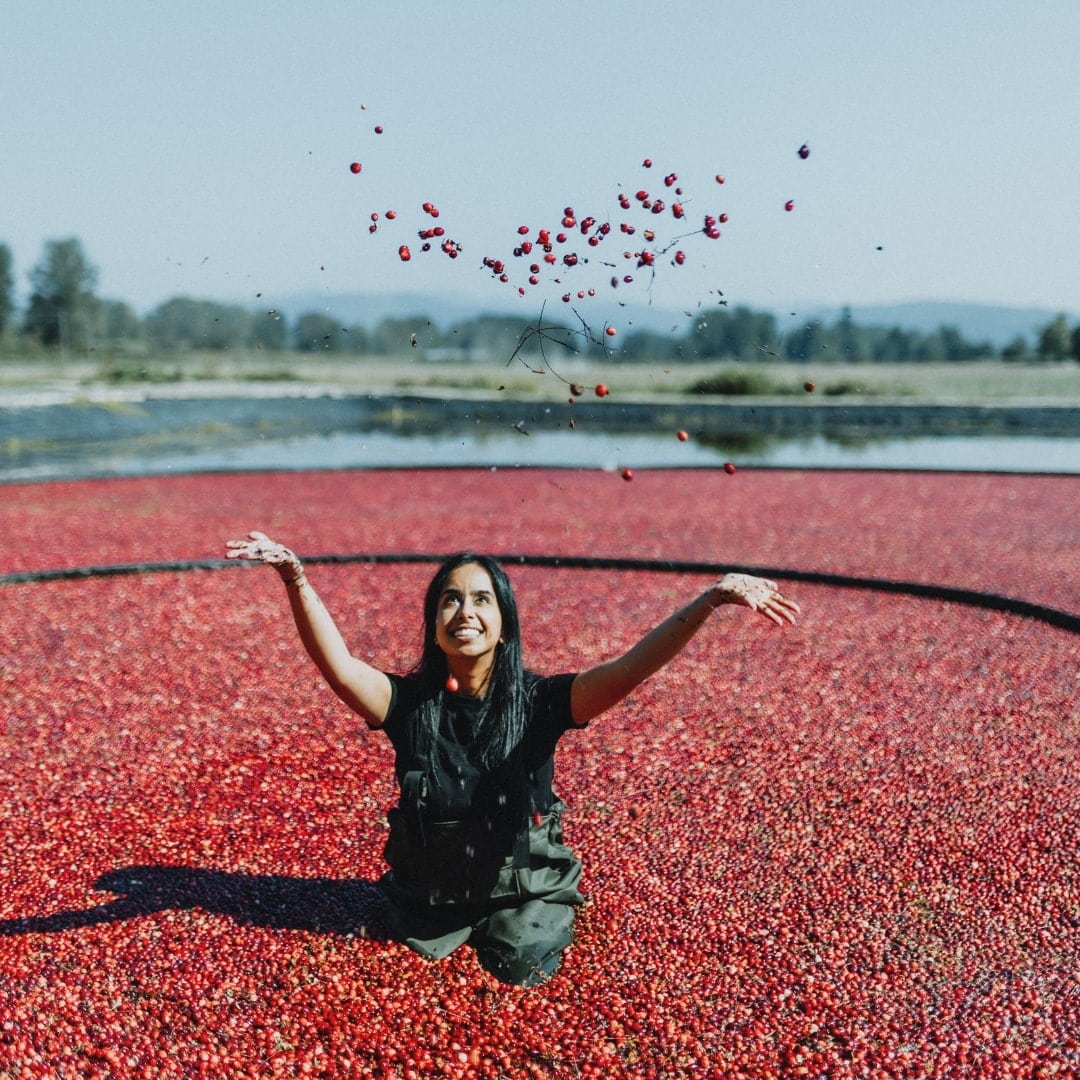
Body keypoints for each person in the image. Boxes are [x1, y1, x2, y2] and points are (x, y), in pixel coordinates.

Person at [225, 531, 799, 986]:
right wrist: (295, 578)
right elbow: (339, 664)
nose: (464, 611)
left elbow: (630, 668)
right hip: (428, 898)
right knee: (412, 965)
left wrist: (710, 598)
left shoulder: (541, 703)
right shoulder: (406, 705)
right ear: (433, 624)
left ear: (503, 626)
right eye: (450, 599)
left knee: (521, 966)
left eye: (481, 599)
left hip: (527, 890)